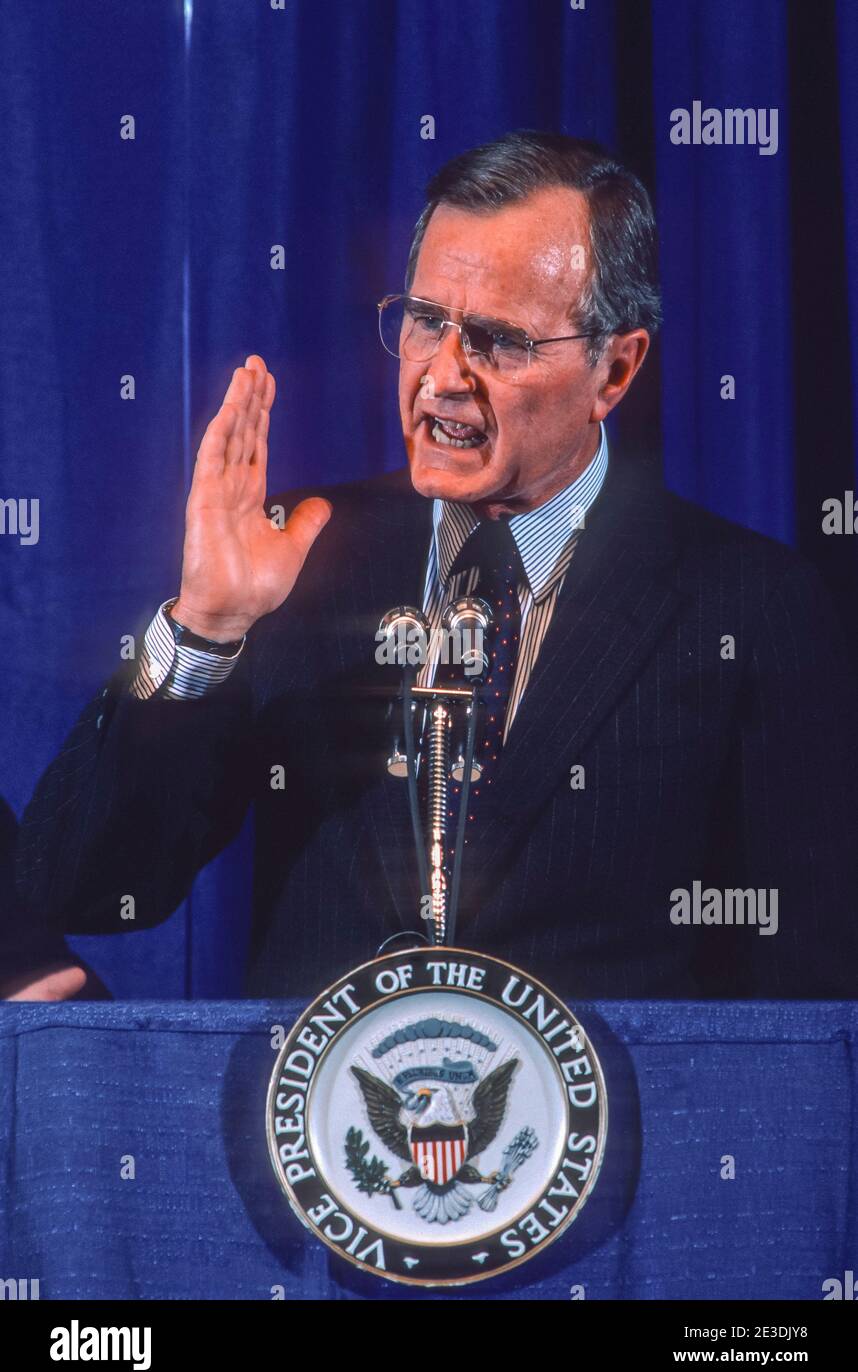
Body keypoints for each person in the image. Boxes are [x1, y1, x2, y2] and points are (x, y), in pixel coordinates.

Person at [11, 131, 858, 1001]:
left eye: (498, 340)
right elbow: (84, 888)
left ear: (615, 369)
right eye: (424, 321)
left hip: (619, 1133)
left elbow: (811, 1000)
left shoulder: (751, 607)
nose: (441, 377)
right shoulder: (302, 560)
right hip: (317, 1126)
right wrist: (205, 629)